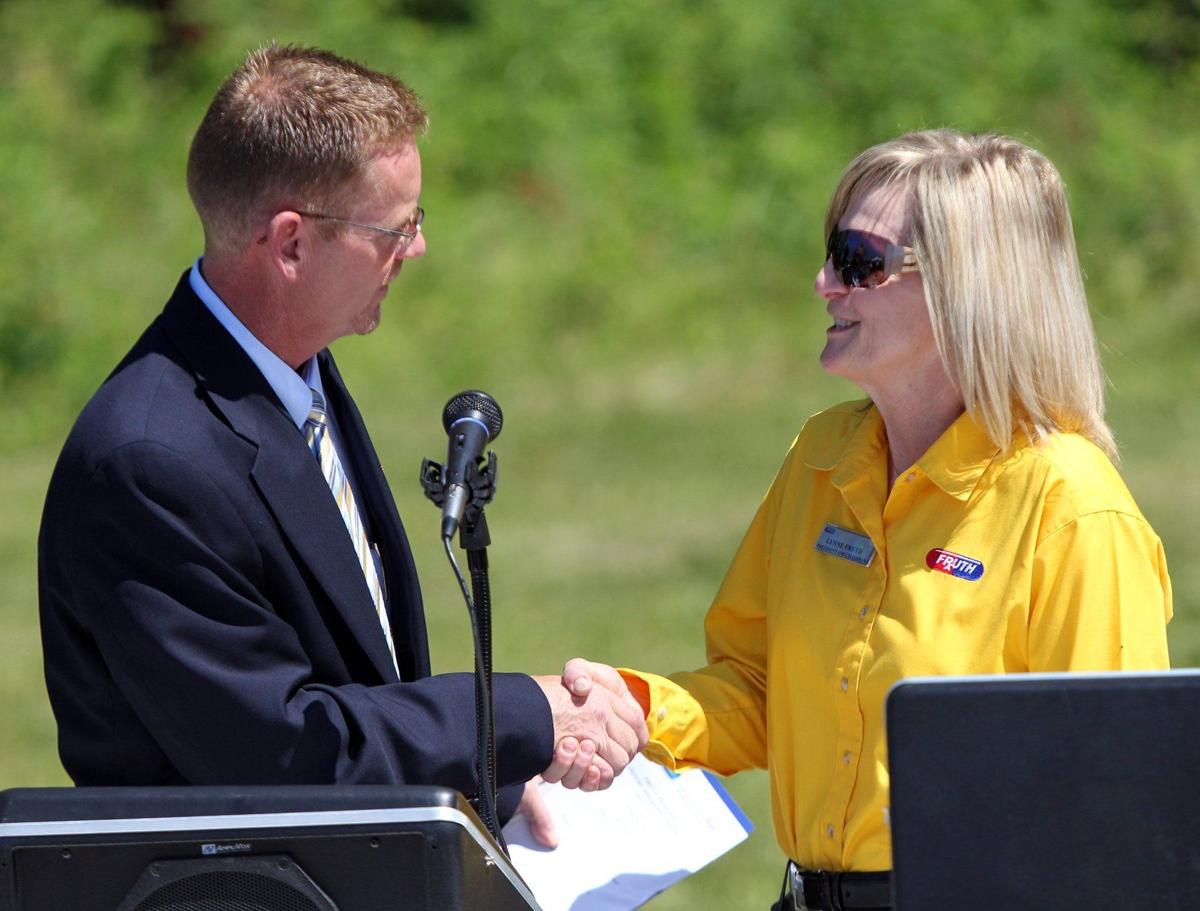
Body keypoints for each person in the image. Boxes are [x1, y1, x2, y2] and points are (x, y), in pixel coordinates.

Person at [37, 45, 644, 841]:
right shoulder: (148, 464)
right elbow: (286, 755)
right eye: (397, 227)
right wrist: (517, 714)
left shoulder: (295, 366)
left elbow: (354, 676)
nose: (417, 248)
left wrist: (476, 787)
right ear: (291, 244)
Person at [563, 129, 1172, 908]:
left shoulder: (1074, 510)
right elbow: (758, 691)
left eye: (859, 260)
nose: (823, 282)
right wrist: (628, 706)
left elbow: (1113, 799)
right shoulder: (822, 455)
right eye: (831, 253)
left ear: (966, 287)